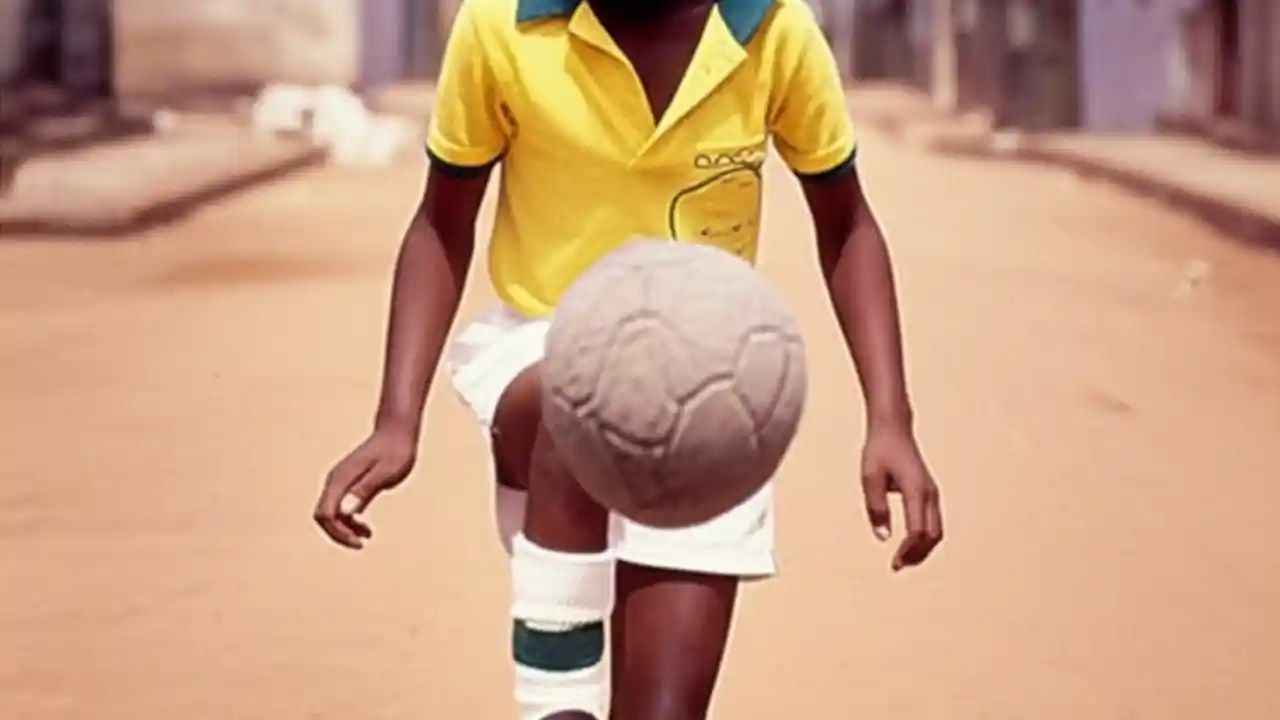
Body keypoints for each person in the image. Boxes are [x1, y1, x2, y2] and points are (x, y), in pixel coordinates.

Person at [314, 0, 944, 718]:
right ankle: (557, 704)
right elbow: (442, 223)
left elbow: (847, 223)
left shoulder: (771, 29)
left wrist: (891, 419)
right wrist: (397, 419)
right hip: (541, 347)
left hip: (711, 381)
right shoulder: (502, 24)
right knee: (580, 390)